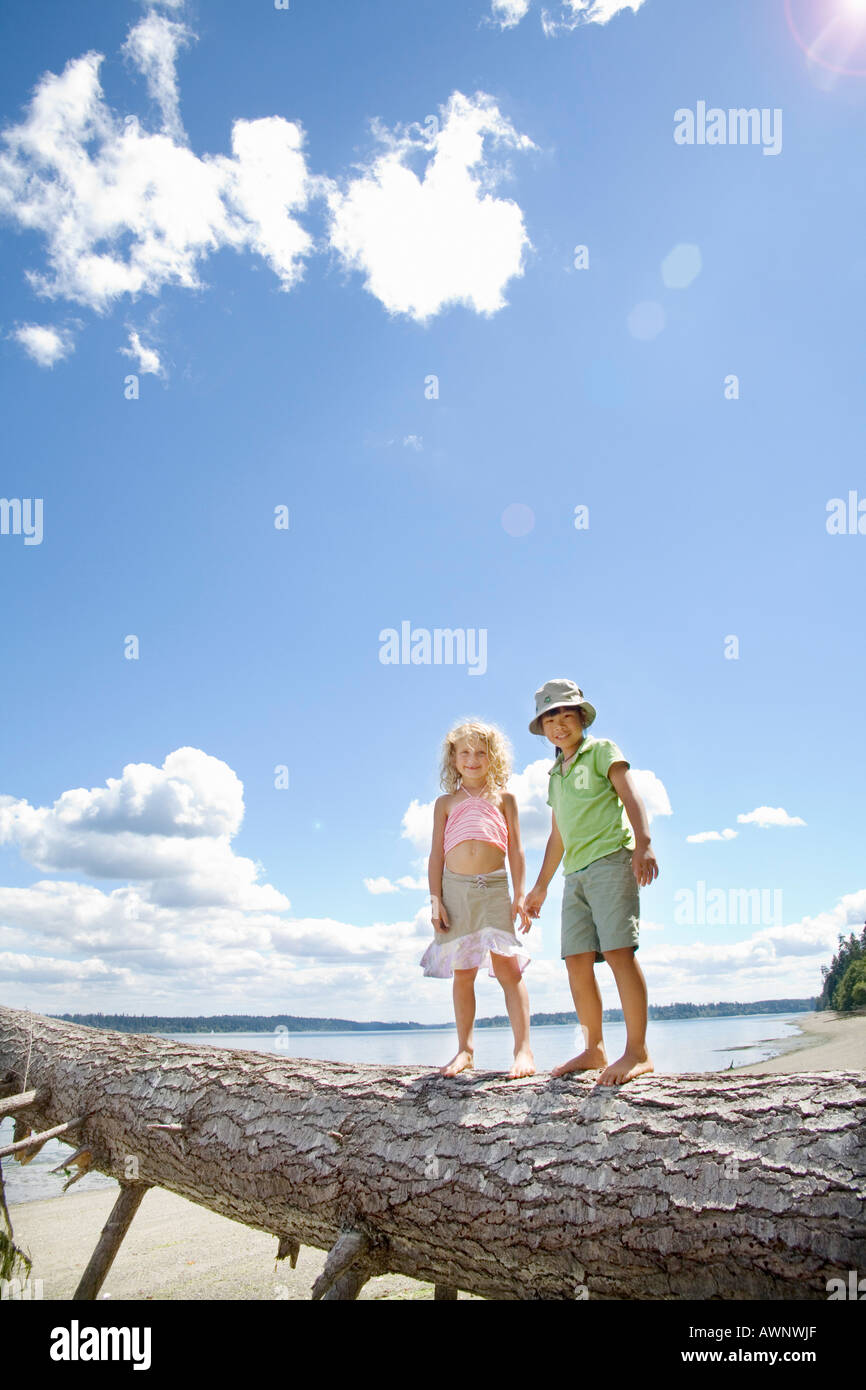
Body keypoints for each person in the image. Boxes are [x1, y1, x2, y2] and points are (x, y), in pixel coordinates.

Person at [524, 679, 658, 1086]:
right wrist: (540, 887)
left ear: (581, 717)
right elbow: (557, 836)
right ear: (543, 727)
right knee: (577, 960)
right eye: (550, 718)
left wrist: (644, 844)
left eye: (566, 714)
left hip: (611, 861)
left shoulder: (602, 750)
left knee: (618, 951)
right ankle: (594, 1047)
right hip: (574, 874)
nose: (559, 724)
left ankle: (638, 1051)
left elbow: (630, 794)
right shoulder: (554, 775)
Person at [421, 719, 534, 1079]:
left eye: (481, 753)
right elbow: (436, 855)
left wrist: (520, 894)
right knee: (464, 972)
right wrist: (435, 898)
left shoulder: (504, 799)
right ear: (453, 758)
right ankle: (465, 1050)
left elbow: (515, 850)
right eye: (465, 752)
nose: (472, 759)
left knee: (508, 970)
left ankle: (523, 1050)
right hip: (455, 891)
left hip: (495, 888)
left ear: (493, 758)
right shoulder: (445, 803)